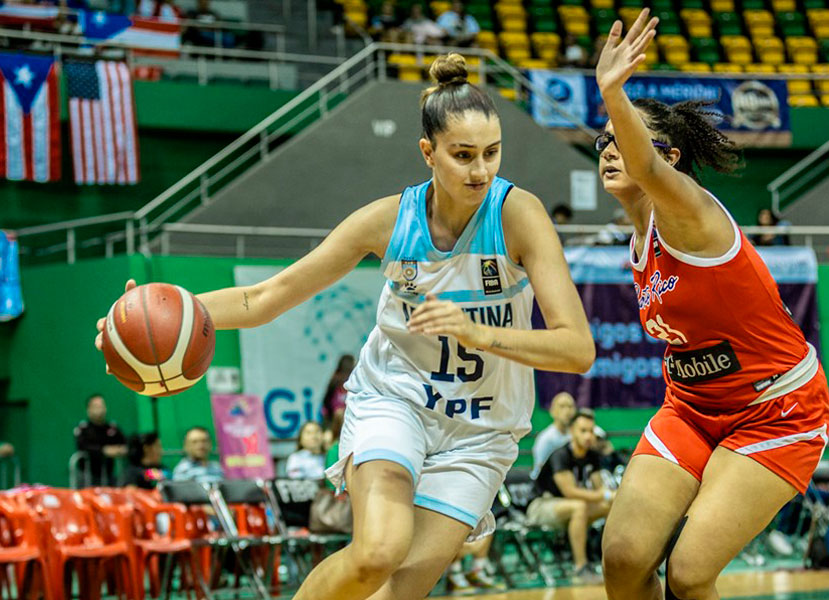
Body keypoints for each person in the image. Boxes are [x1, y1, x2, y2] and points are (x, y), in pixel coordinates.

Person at [96, 53, 593, 600]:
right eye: (463, 155)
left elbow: (576, 349)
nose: (480, 171)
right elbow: (267, 296)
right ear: (428, 152)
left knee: (400, 590)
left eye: (492, 153)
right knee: (378, 551)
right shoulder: (389, 220)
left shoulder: (519, 215)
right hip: (396, 400)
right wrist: (162, 311)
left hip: (482, 431)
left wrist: (478, 333)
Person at [592, 12, 829, 600]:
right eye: (604, 139)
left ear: (670, 158)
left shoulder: (692, 215)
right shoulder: (639, 240)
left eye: (623, 137)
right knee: (623, 558)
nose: (610, 149)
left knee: (690, 573)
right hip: (692, 407)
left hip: (776, 408)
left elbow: (645, 166)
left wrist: (612, 92)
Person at [527, 411, 613, 582]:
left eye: (591, 431)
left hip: (571, 507)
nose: (588, 436)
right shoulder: (560, 455)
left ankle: (609, 561)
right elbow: (570, 492)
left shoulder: (592, 456)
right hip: (541, 505)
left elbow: (599, 487)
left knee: (610, 506)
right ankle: (581, 568)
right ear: (572, 431)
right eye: (583, 431)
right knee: (579, 507)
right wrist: (605, 494)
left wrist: (610, 496)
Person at [74, 394, 127, 486]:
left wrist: (121, 450)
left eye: (101, 406)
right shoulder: (83, 429)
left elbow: (125, 444)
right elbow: (83, 446)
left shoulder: (112, 428)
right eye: (96, 406)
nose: (100, 409)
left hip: (109, 476)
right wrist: (104, 451)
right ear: (88, 410)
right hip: (88, 477)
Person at [531, 391, 576, 478]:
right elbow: (540, 471)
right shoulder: (546, 439)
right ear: (552, 411)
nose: (567, 411)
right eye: (562, 406)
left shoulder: (575, 436)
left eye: (570, 406)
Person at [321, 354, 355, 440]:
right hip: (331, 420)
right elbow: (326, 402)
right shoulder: (335, 381)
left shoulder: (355, 382)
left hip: (349, 420)